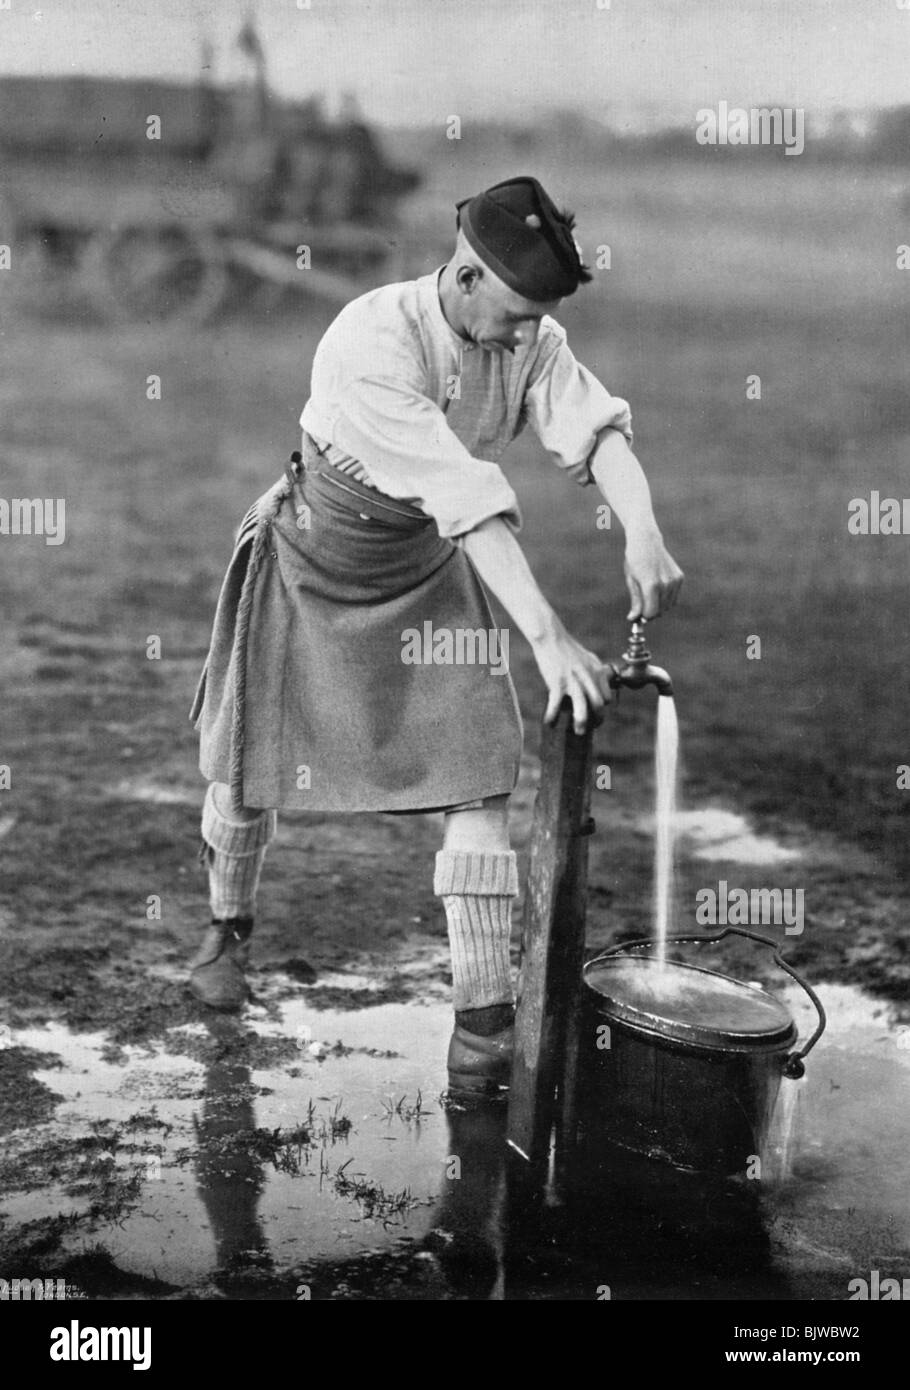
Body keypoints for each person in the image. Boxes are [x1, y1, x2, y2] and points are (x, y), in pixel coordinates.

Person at [187, 175, 683, 1096]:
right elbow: (469, 499)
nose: (530, 334)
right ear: (462, 277)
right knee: (247, 770)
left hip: (426, 567)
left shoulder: (531, 336)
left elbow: (594, 428)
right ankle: (227, 930)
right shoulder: (369, 341)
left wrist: (644, 532)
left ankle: (483, 1030)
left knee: (480, 769)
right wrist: (544, 635)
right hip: (313, 564)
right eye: (519, 314)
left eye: (542, 319)